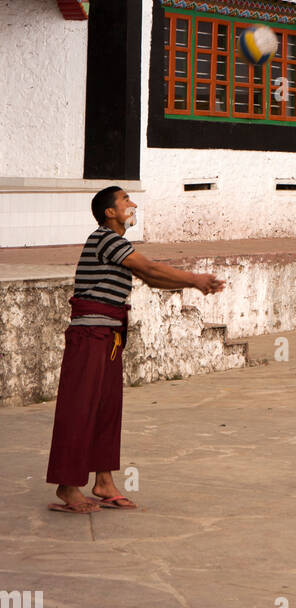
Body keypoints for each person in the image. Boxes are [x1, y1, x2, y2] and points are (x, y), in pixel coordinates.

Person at [47, 186, 225, 513]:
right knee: (80, 408)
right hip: (91, 336)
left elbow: (151, 278)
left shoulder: (117, 244)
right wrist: (195, 278)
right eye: (126, 200)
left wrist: (191, 284)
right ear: (109, 213)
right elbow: (151, 269)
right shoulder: (105, 238)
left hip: (111, 336)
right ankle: (67, 486)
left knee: (106, 409)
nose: (134, 204)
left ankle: (103, 481)